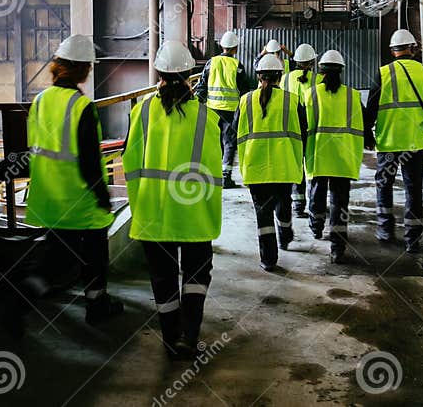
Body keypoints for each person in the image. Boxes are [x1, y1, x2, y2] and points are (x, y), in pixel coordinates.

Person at [123, 41, 223, 359]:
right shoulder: (206, 117)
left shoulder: (139, 113)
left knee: (162, 277)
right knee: (196, 275)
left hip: (153, 213)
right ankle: (189, 337)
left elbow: (129, 162)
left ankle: (169, 338)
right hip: (193, 213)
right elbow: (213, 167)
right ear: (190, 75)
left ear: (159, 74)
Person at [21, 34, 120, 327]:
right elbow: (90, 162)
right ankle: (96, 305)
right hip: (79, 201)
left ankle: (24, 296)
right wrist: (103, 197)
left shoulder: (39, 102)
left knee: (54, 258)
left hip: (47, 199)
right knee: (94, 254)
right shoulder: (81, 107)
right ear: (83, 69)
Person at [364, 29, 423, 253]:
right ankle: (412, 239)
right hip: (415, 143)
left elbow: (371, 108)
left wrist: (367, 135)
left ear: (393, 51)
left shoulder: (382, 74)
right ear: (413, 49)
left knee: (384, 184)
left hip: (389, 142)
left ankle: (384, 229)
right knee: (413, 189)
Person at [235, 54, 305, 271]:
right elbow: (305, 130)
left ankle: (268, 259)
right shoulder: (292, 100)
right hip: (284, 165)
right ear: (280, 76)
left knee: (262, 214)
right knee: (284, 204)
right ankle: (285, 235)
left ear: (258, 76)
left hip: (255, 167)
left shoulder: (245, 100)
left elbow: (235, 128)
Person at [304, 50, 365, 264]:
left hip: (319, 153)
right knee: (340, 202)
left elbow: (304, 125)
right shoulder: (352, 95)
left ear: (320, 71)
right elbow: (364, 122)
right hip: (344, 155)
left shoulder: (311, 94)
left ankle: (316, 228)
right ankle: (338, 247)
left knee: (317, 193)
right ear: (342, 71)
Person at [194, 30, 248, 189]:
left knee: (214, 142)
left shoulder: (211, 62)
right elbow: (244, 89)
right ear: (235, 48)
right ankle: (226, 177)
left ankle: (212, 174)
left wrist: (199, 103)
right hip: (231, 111)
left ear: (222, 46)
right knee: (230, 142)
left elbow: (202, 86)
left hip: (212, 110)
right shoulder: (237, 66)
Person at [281, 43, 321, 218]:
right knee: (312, 166)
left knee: (296, 164)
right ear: (312, 61)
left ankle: (297, 205)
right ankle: (315, 205)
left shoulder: (285, 78)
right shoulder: (318, 79)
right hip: (311, 126)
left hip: (291, 125)